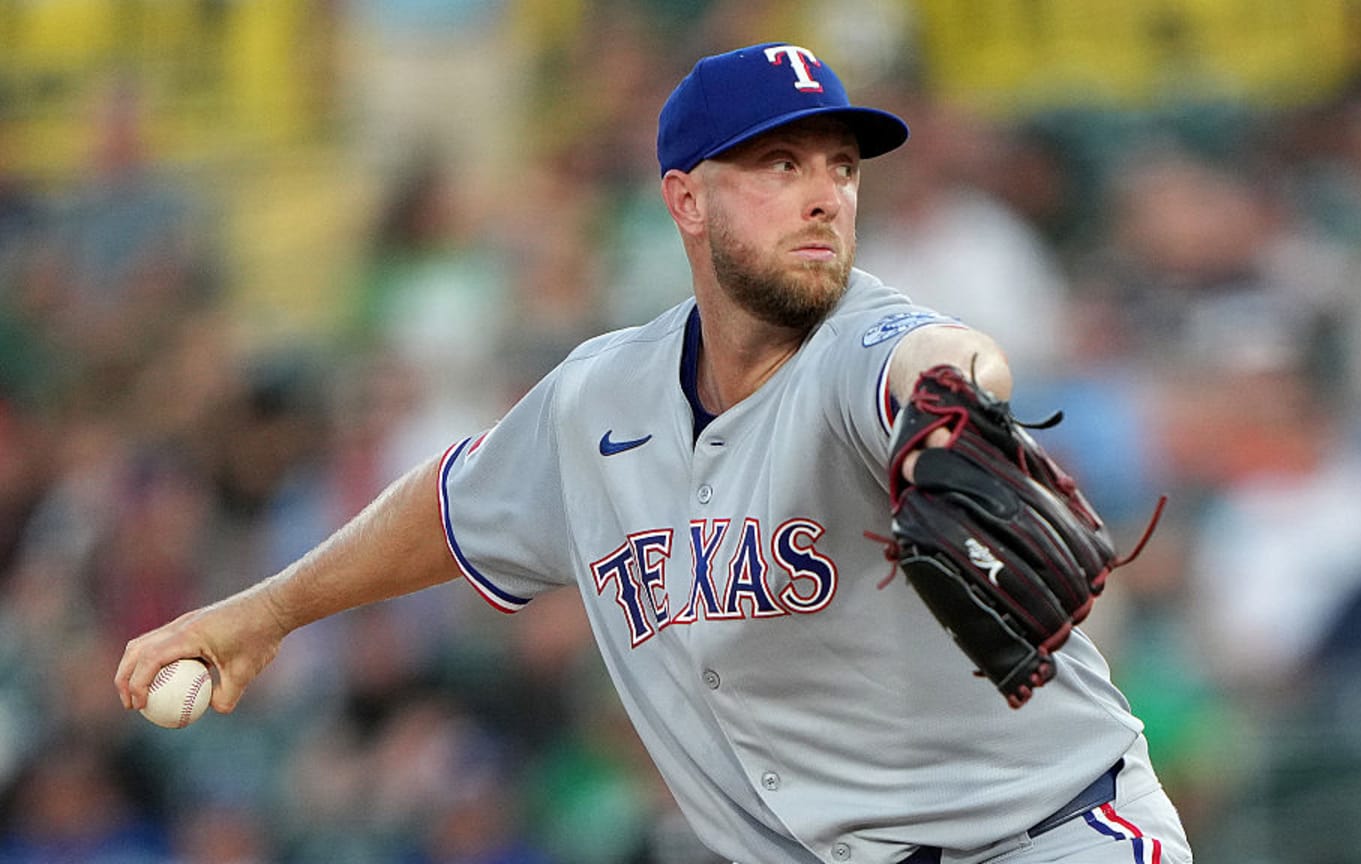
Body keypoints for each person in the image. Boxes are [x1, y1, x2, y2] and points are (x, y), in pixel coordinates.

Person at [116, 43, 1192, 864]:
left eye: (841, 167)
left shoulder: (867, 348)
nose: (825, 193)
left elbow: (946, 359)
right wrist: (262, 615)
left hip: (1047, 836)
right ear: (686, 197)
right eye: (778, 164)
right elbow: (447, 509)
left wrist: (958, 397)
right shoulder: (599, 398)